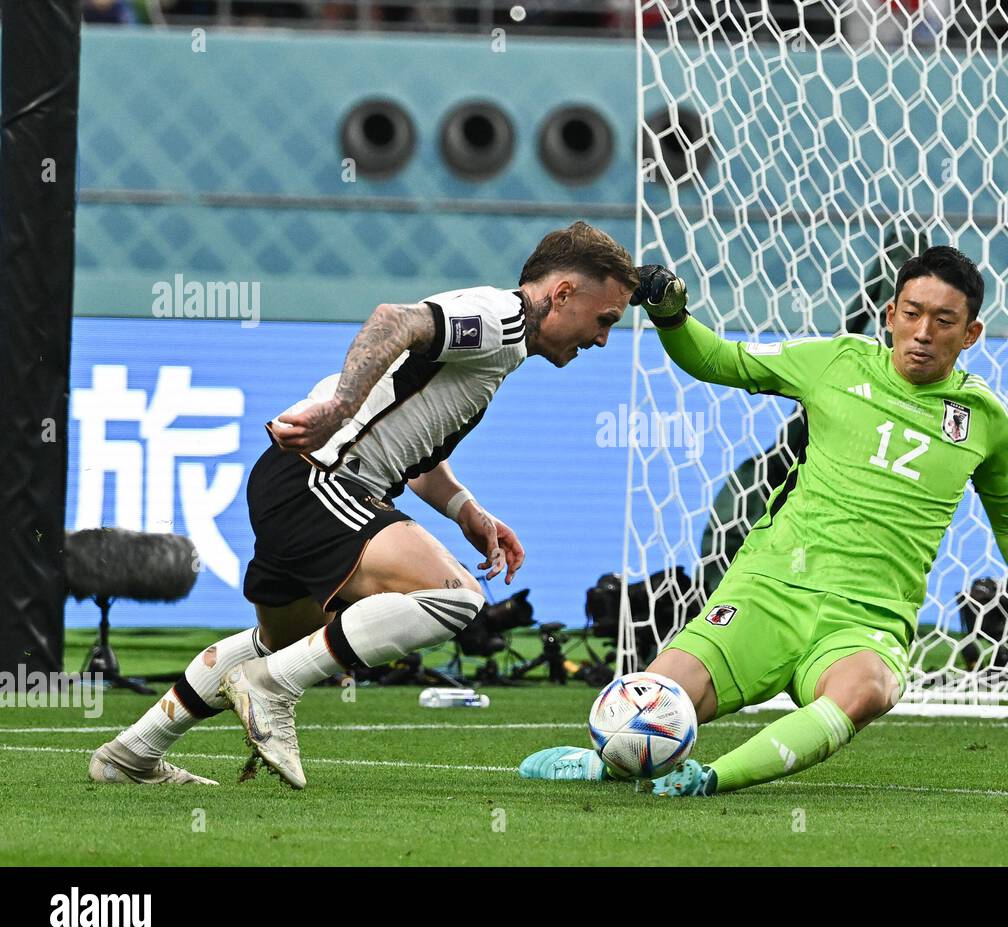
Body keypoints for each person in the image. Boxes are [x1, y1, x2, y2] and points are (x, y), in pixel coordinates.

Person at [520, 246, 1008, 797]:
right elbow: (724, 363)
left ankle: (712, 779)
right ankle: (598, 763)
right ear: (890, 316)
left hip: (867, 617)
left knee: (869, 688)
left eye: (943, 321)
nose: (923, 333)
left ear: (972, 334)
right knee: (649, 707)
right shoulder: (836, 361)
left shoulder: (983, 419)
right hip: (769, 592)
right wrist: (672, 315)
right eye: (911, 314)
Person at [90, 221, 638, 789]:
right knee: (456, 598)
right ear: (564, 292)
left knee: (278, 645)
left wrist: (467, 510)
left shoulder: (503, 340)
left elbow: (412, 444)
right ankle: (273, 687)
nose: (602, 340)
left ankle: (130, 755)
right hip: (320, 481)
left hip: (296, 485)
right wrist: (340, 406)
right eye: (606, 321)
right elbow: (393, 321)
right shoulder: (504, 316)